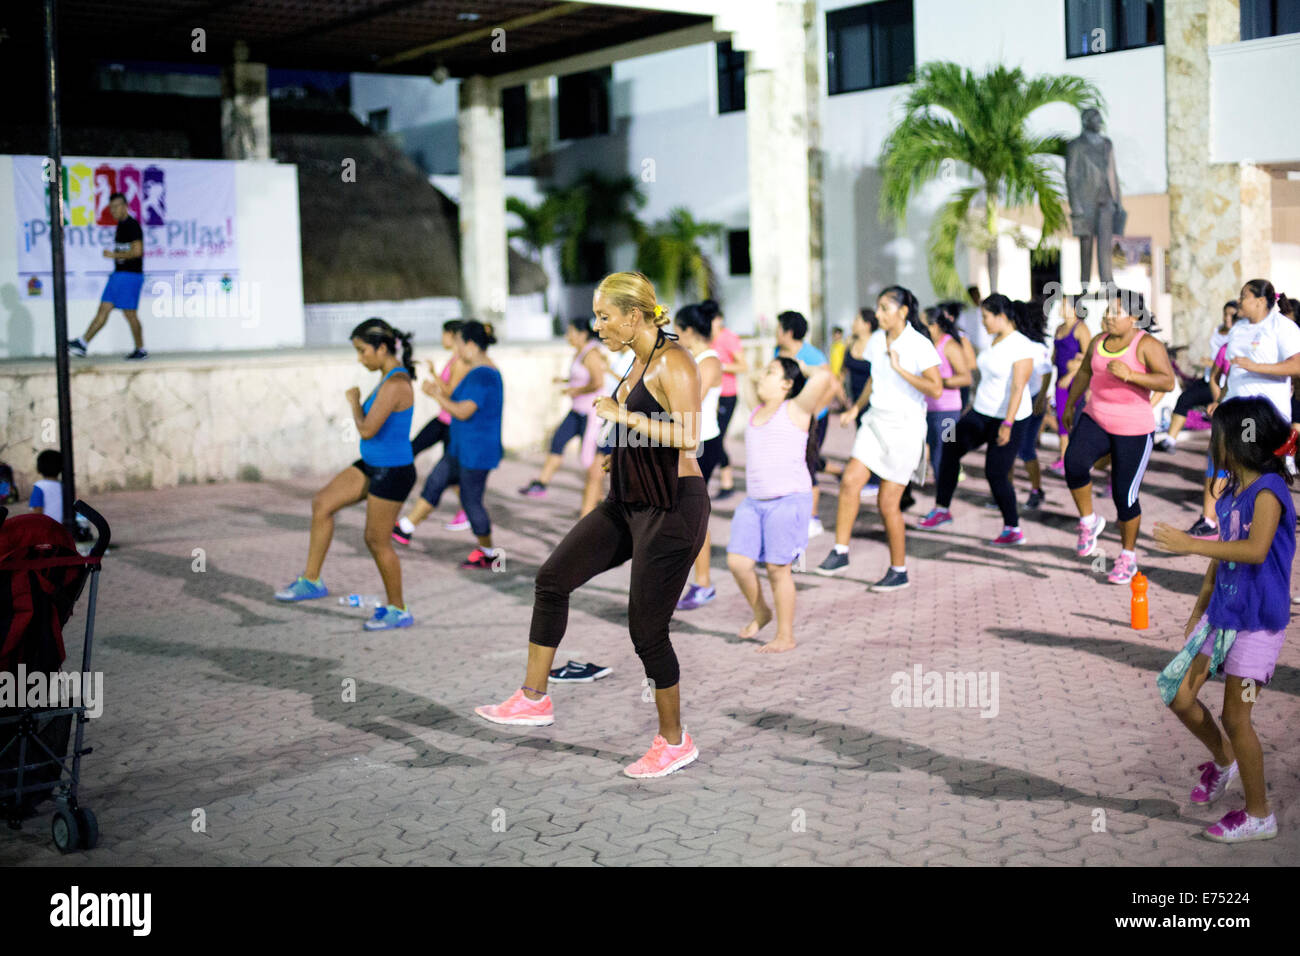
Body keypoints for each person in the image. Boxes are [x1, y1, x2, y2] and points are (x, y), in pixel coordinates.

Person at [475, 272, 710, 780]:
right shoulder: (636, 362)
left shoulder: (675, 361)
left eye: (605, 317)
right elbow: (648, 431)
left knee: (647, 630)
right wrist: (621, 455)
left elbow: (690, 436)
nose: (597, 326)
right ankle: (534, 698)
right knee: (552, 579)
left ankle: (675, 741)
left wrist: (623, 421)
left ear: (633, 316)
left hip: (672, 507)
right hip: (625, 501)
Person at [1152, 396, 1296, 843]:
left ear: (1240, 441)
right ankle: (1223, 760)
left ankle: (1259, 815)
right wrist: (1200, 607)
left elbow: (1253, 550)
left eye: (1219, 434)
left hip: (1257, 622)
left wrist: (1191, 544)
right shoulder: (1233, 491)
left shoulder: (1270, 491)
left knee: (1237, 717)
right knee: (1178, 693)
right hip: (1222, 615)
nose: (1213, 442)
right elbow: (1223, 560)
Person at [276, 318, 416, 630]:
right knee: (322, 503)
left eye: (362, 350)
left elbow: (367, 429)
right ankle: (311, 580)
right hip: (371, 466)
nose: (359, 357)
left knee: (376, 541)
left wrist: (354, 403)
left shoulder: (395, 383)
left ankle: (398, 609)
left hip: (393, 472)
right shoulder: (386, 377)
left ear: (381, 348)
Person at [816, 287, 942, 590]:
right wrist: (855, 408)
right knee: (849, 481)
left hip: (904, 430)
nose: (880, 314)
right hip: (874, 423)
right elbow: (875, 378)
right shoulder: (875, 339)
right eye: (878, 308)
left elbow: (935, 389)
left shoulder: (918, 344)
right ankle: (840, 552)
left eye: (886, 308)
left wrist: (900, 368)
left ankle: (899, 570)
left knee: (888, 504)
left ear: (903, 311)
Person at [1061, 291, 1175, 583]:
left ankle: (1127, 556)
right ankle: (1089, 521)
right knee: (1073, 463)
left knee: (1123, 496)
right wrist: (1071, 404)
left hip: (1133, 428)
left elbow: (1167, 381)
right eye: (1108, 311)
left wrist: (1131, 375)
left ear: (1134, 317)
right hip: (1095, 416)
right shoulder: (1099, 341)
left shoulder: (1147, 344)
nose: (1109, 317)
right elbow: (1085, 372)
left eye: (1116, 312)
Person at [728, 359, 836, 651]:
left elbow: (824, 377)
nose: (762, 377)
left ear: (788, 384)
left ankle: (785, 636)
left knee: (779, 570)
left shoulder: (796, 409)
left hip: (788, 501)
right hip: (754, 503)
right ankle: (761, 611)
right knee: (737, 563)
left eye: (771, 373)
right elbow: (748, 376)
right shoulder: (755, 410)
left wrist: (800, 366)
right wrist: (765, 371)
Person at [918, 294, 1044, 545]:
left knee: (995, 473)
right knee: (950, 446)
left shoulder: (1021, 345)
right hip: (980, 413)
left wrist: (1007, 424)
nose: (983, 321)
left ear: (1001, 316)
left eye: (986, 316)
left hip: (1010, 418)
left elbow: (1019, 387)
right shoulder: (996, 340)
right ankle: (942, 509)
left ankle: (1013, 528)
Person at [1186, 279, 1300, 538]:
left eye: (1244, 296)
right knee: (1218, 458)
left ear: (1260, 301)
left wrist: (1256, 366)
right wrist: (1220, 400)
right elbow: (1233, 373)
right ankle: (1208, 520)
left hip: (1262, 414)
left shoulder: (1283, 327)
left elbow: (1297, 366)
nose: (1239, 301)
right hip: (1233, 409)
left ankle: (1265, 523)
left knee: (1255, 469)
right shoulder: (1238, 329)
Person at [393, 321, 503, 570]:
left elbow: (464, 411)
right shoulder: (476, 372)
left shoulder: (484, 374)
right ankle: (404, 528)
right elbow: (459, 400)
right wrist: (439, 390)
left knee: (471, 500)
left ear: (471, 345)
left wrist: (436, 395)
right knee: (436, 481)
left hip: (477, 451)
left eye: (460, 343)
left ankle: (489, 553)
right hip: (460, 446)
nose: (457, 348)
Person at [519, 318, 607, 498]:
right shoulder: (580, 352)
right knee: (558, 441)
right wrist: (565, 382)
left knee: (589, 459)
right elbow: (582, 378)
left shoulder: (592, 354)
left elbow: (598, 383)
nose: (568, 336)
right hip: (576, 411)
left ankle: (597, 501)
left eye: (571, 332)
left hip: (592, 413)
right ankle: (542, 483)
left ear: (583, 334)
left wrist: (576, 390)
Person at [675, 304, 724, 610]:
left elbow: (691, 402)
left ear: (690, 331)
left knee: (695, 516)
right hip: (688, 443)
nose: (676, 336)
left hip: (702, 445)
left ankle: (704, 583)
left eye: (678, 330)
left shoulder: (709, 361)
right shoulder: (691, 358)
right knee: (684, 514)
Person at [68, 192, 147, 360]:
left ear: (125, 206)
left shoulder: (132, 225)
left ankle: (141, 349)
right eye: (111, 207)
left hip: (129, 276)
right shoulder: (120, 225)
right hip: (119, 275)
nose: (113, 210)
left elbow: (138, 252)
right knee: (104, 308)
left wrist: (113, 255)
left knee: (130, 314)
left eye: (117, 206)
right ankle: (83, 343)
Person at [409, 320, 471, 531]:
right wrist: (435, 374)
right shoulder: (454, 359)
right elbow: (448, 388)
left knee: (450, 472)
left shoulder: (460, 362)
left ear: (452, 335)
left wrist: (433, 390)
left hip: (450, 422)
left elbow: (452, 393)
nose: (441, 339)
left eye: (444, 334)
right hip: (443, 419)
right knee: (413, 448)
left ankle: (467, 510)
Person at [774, 311, 830, 538]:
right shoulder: (778, 351)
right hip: (790, 418)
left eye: (778, 329)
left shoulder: (812, 355)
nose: (775, 333)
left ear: (788, 332)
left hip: (813, 419)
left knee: (809, 465)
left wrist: (813, 412)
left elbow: (831, 385)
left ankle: (813, 519)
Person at [921, 303, 972, 486]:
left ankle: (944, 497)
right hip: (928, 409)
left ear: (934, 326)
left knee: (943, 452)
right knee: (933, 451)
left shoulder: (949, 345)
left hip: (947, 411)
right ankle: (941, 488)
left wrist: (938, 382)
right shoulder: (927, 345)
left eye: (922, 325)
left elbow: (966, 378)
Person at [1015, 301, 1056, 511]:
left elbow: (1046, 373)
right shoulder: (1013, 342)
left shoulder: (1035, 347)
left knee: (1026, 448)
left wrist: (1041, 399)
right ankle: (1004, 490)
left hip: (1031, 400)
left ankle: (1036, 490)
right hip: (1015, 401)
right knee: (1009, 448)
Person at [705, 299, 747, 500]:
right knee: (714, 438)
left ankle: (727, 483)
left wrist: (718, 366)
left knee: (717, 439)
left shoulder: (729, 338)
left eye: (712, 319)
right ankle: (724, 482)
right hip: (711, 395)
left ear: (719, 319)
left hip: (727, 395)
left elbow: (743, 366)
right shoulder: (705, 338)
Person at [1049, 294, 1092, 474]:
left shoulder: (1081, 328)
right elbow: (1056, 354)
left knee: (1077, 419)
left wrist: (1072, 372)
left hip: (1076, 380)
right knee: (1061, 418)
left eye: (1064, 305)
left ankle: (1079, 458)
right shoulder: (1059, 328)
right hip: (1061, 379)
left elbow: (1090, 358)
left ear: (1074, 309)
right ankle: (1064, 457)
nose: (1060, 309)